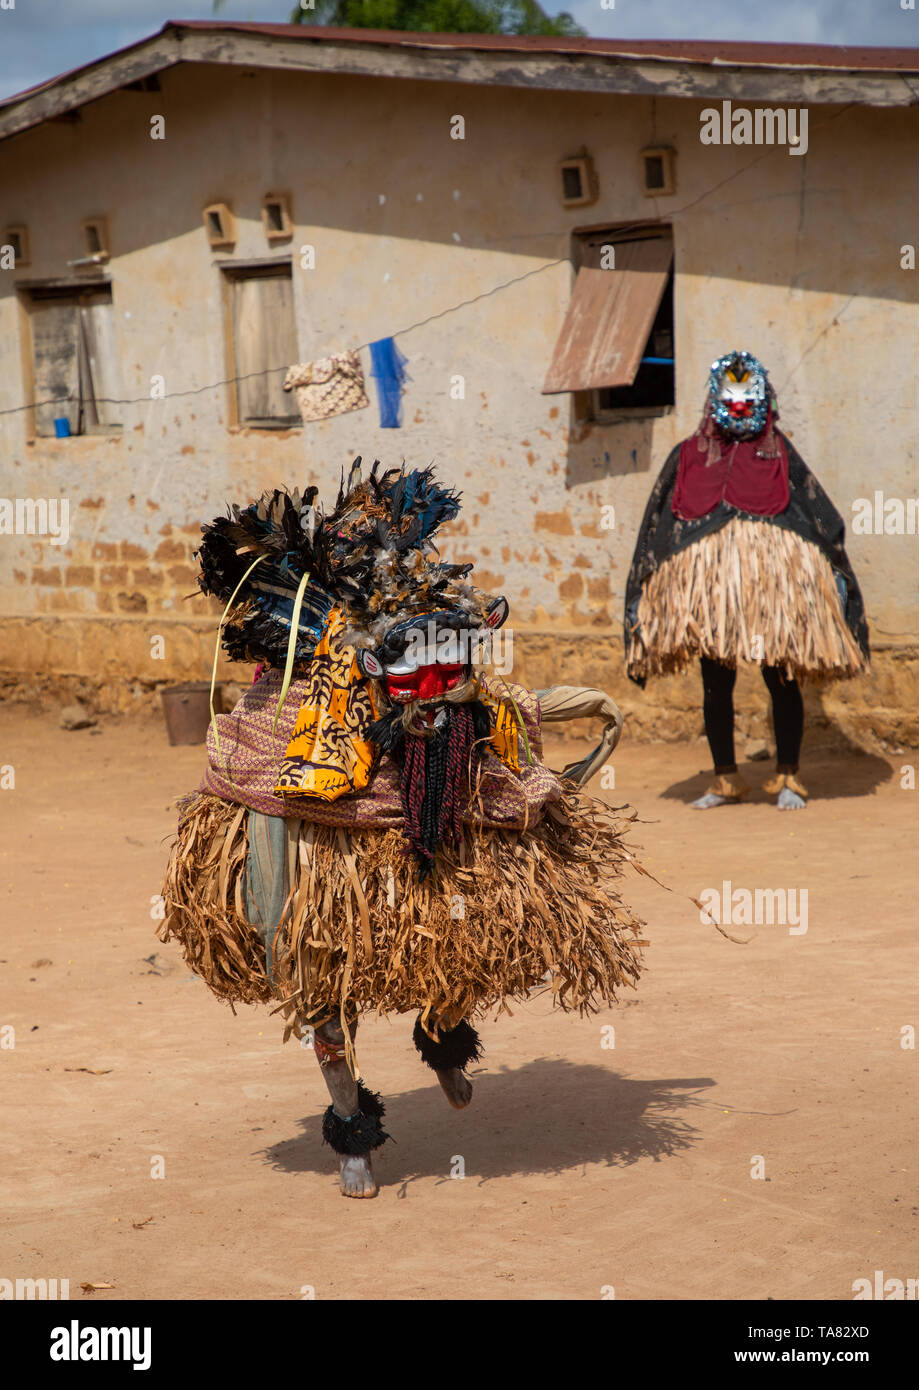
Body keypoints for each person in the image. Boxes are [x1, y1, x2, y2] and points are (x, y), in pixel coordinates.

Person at [160, 459, 643, 1197]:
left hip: (430, 841)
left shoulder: (474, 718)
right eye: (412, 670)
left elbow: (507, 710)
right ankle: (352, 1129)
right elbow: (267, 785)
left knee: (455, 940)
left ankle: (444, 1037)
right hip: (324, 871)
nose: (435, 689)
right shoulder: (288, 743)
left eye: (450, 665)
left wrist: (587, 713)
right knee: (322, 982)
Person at [624, 350, 869, 811]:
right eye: (729, 398)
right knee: (715, 684)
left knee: (781, 679)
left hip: (772, 596)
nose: (738, 408)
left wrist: (832, 574)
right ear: (715, 399)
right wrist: (648, 585)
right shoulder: (689, 456)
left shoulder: (778, 452)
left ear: (763, 399)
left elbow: (817, 513)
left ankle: (788, 776)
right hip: (711, 597)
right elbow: (656, 523)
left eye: (747, 398)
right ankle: (725, 779)